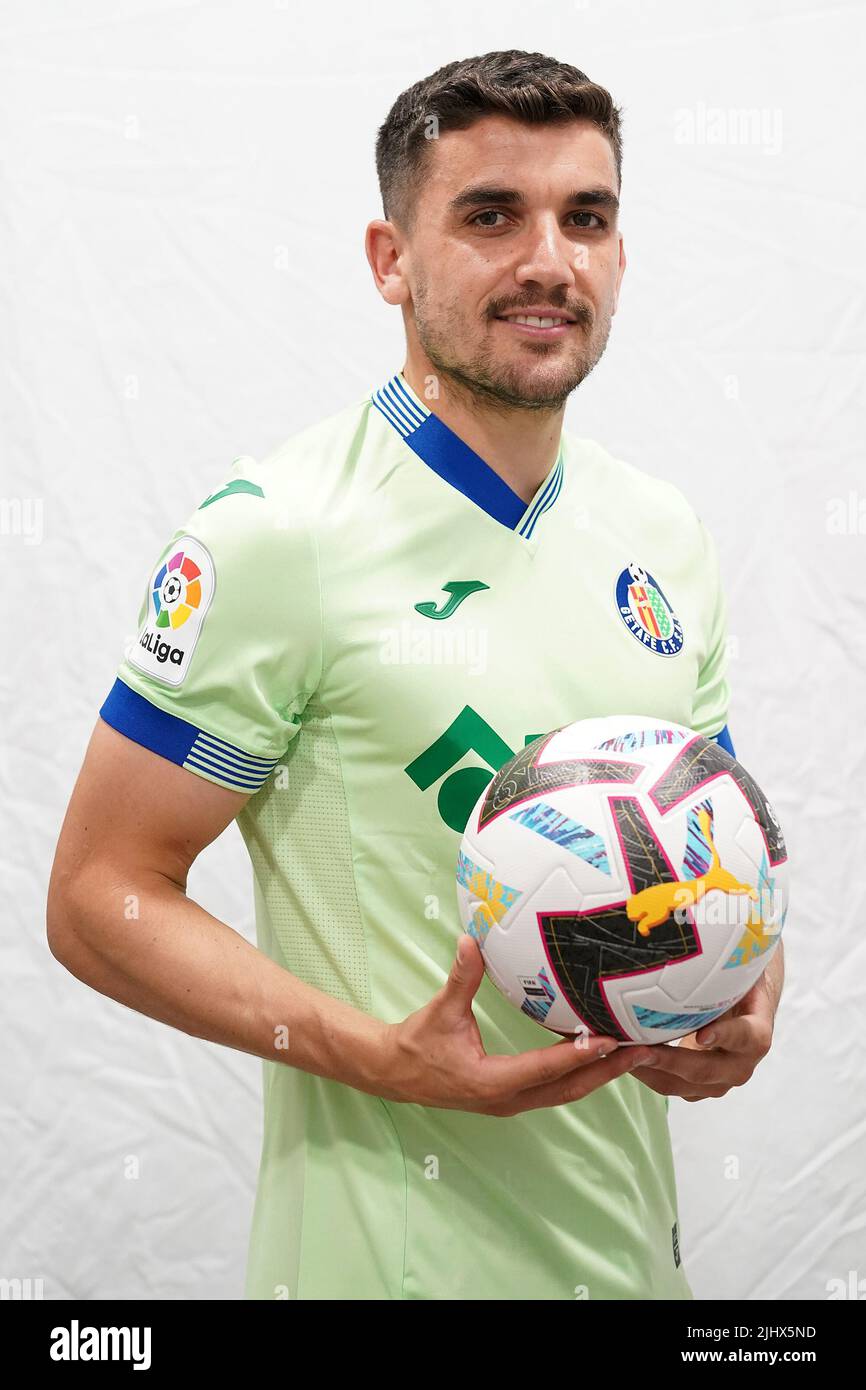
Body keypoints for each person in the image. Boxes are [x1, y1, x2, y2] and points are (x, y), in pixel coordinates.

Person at [47, 49, 783, 1301]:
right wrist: (387, 1059)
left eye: (585, 217)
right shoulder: (277, 533)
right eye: (490, 215)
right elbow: (98, 898)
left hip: (634, 1270)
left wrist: (746, 989)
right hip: (381, 1273)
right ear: (390, 260)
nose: (548, 259)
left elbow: (717, 838)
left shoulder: (663, 536)